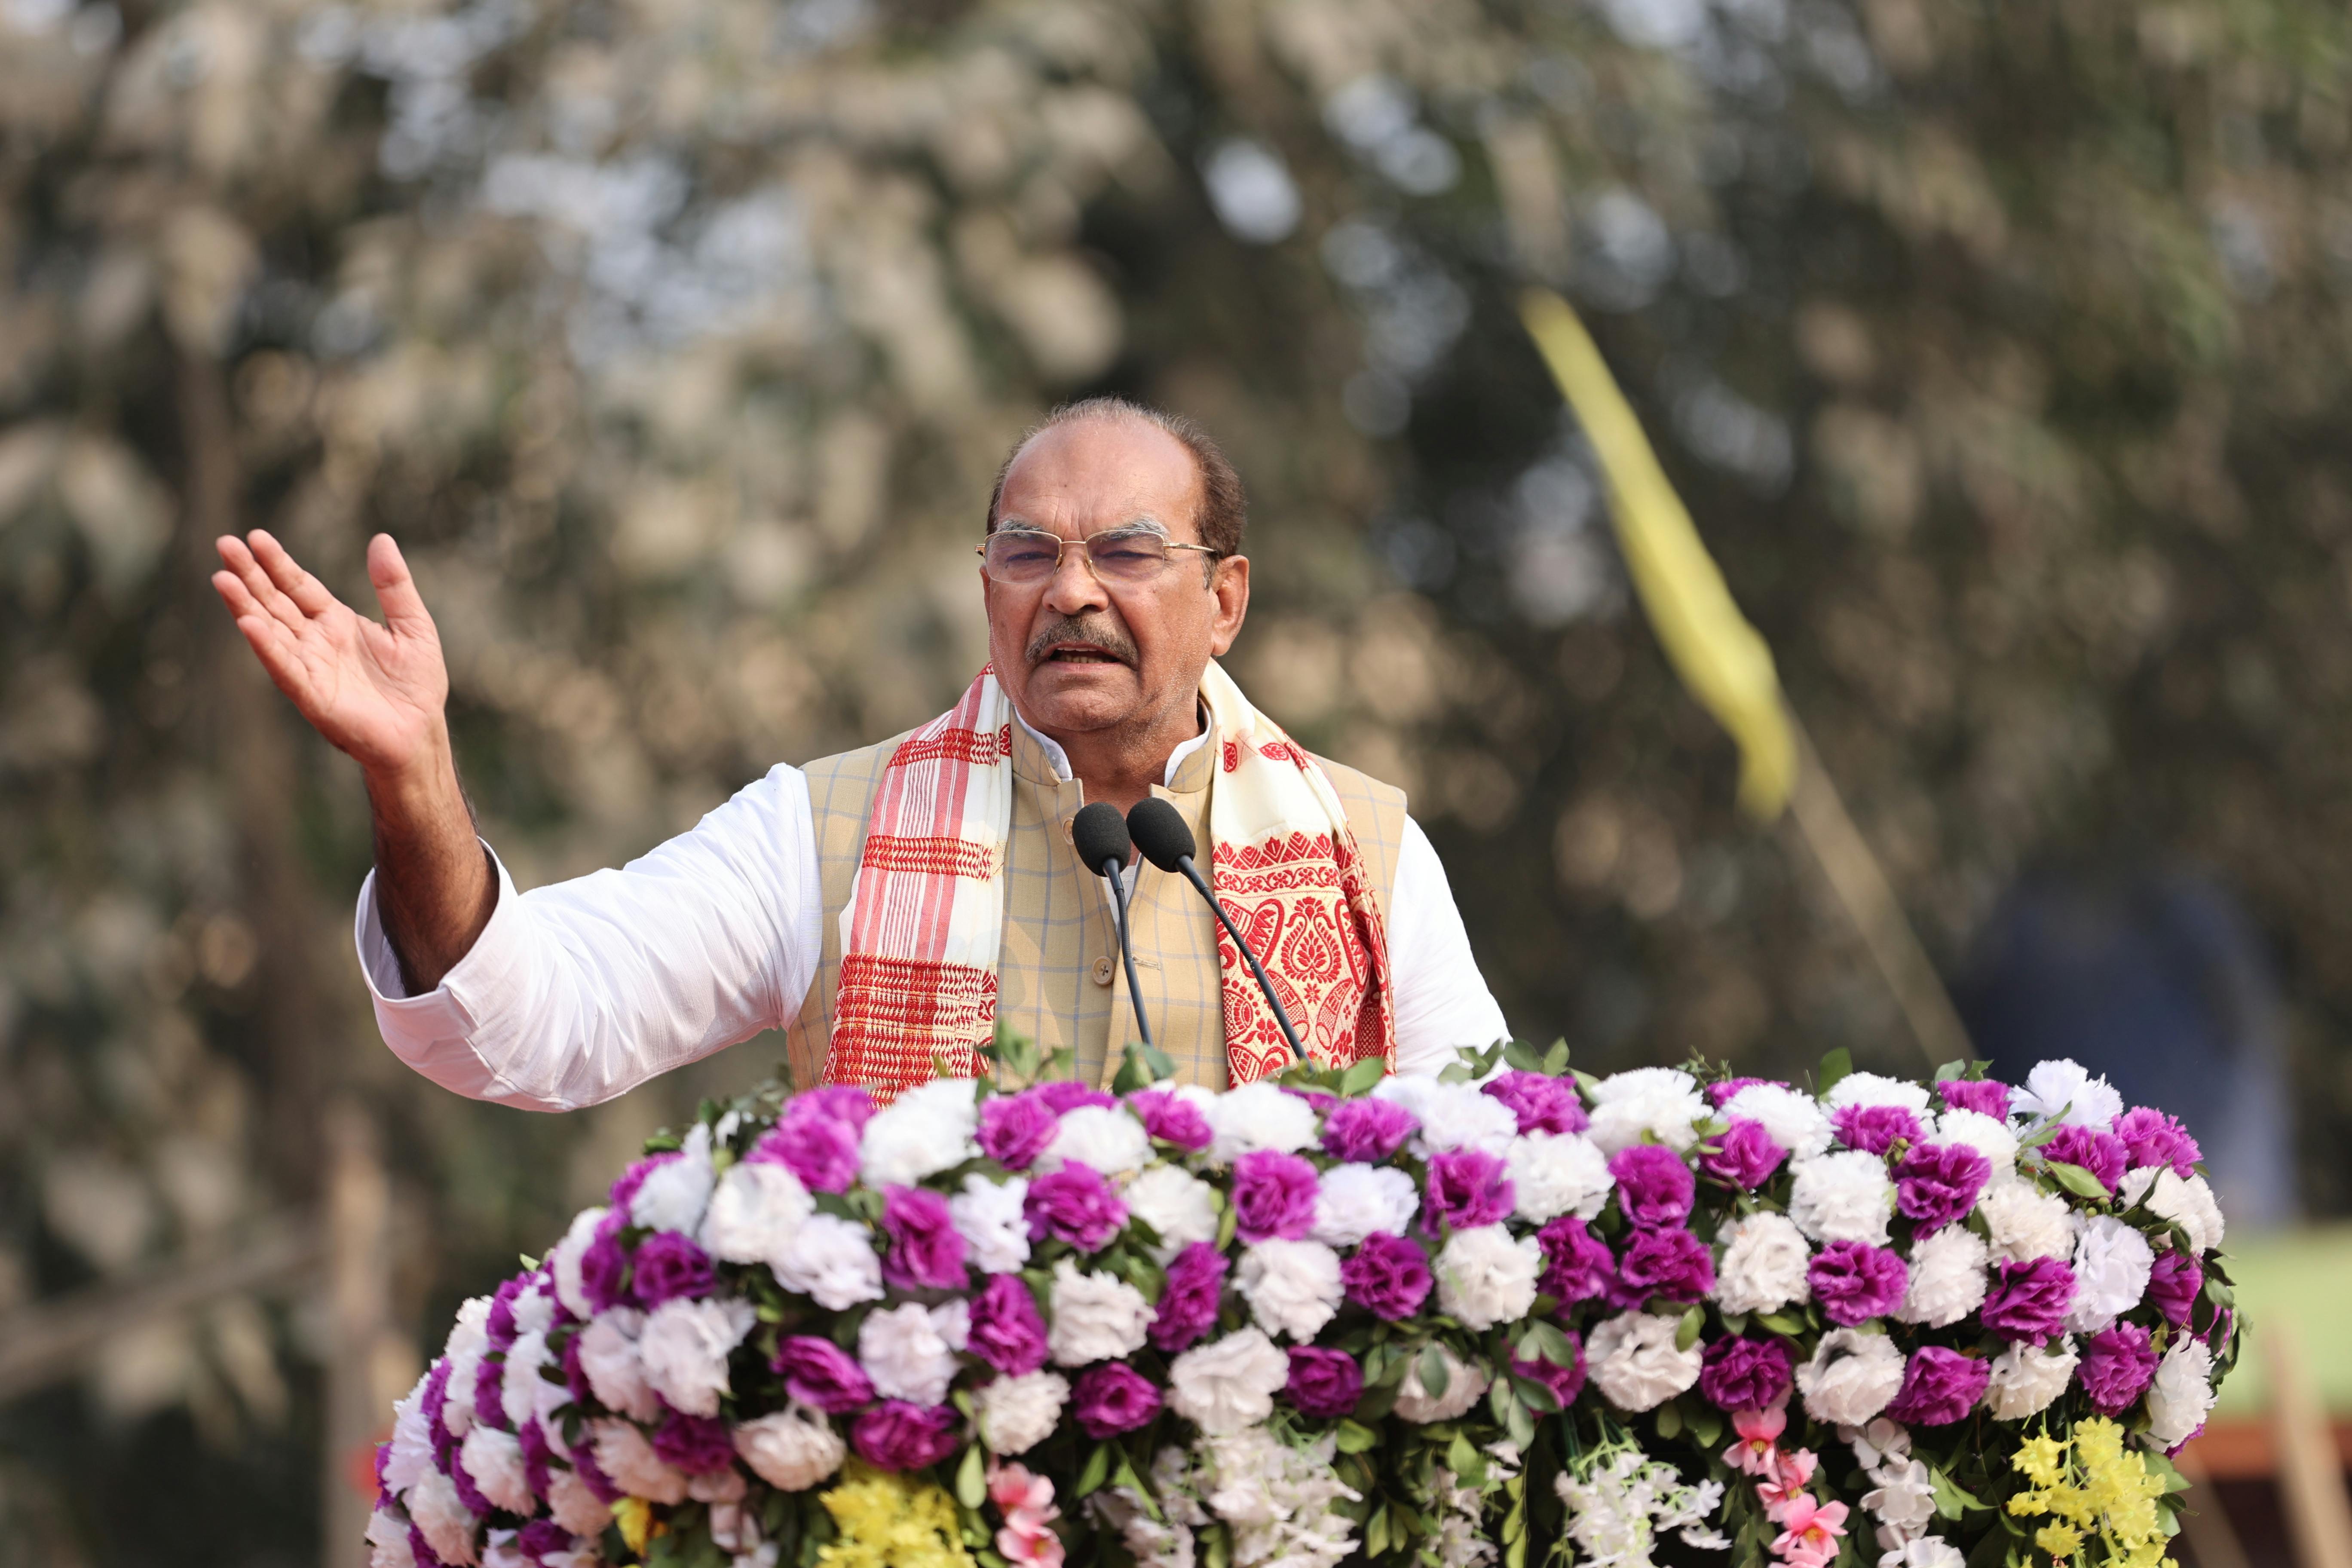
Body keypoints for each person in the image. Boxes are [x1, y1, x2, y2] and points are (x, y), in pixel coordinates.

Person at [210, 397, 1509, 1108]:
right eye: (1027, 553)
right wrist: (414, 779)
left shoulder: (1366, 854)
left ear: (1225, 599)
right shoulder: (824, 832)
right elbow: (533, 1026)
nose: (1070, 592)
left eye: (1126, 551)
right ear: (987, 589)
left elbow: (1485, 1183)